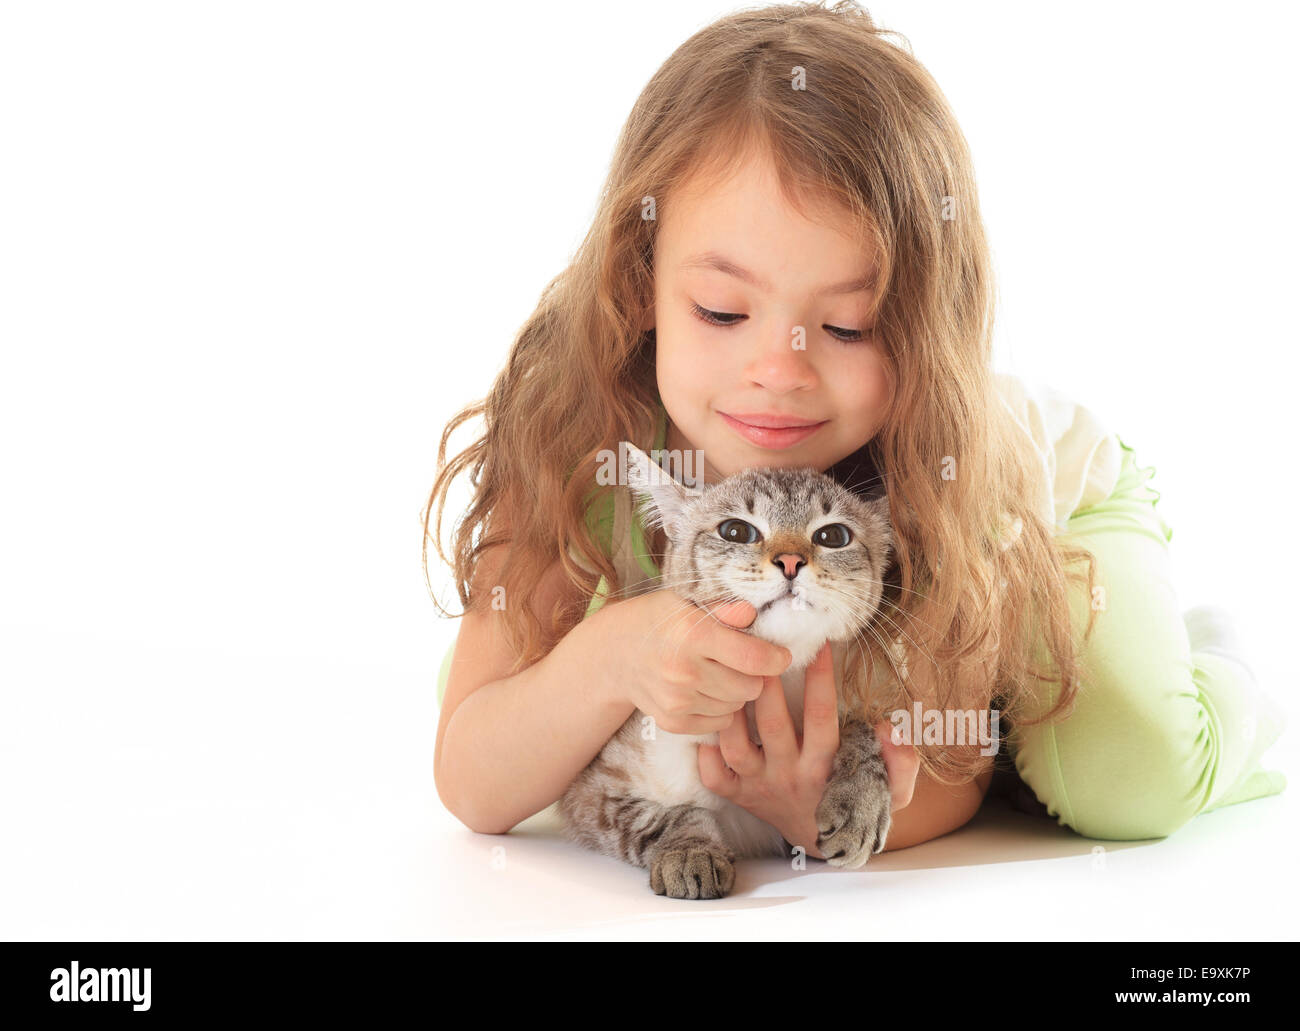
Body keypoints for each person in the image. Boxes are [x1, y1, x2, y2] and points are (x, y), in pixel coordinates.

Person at [425, 1, 1285, 854]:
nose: (781, 369)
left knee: (1129, 772)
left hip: (1042, 516)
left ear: (917, 330)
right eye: (724, 311)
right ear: (640, 282)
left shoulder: (940, 466)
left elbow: (950, 770)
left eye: (847, 327)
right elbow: (474, 782)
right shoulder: (577, 431)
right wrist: (603, 660)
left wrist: (822, 814)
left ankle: (1221, 662)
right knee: (537, 706)